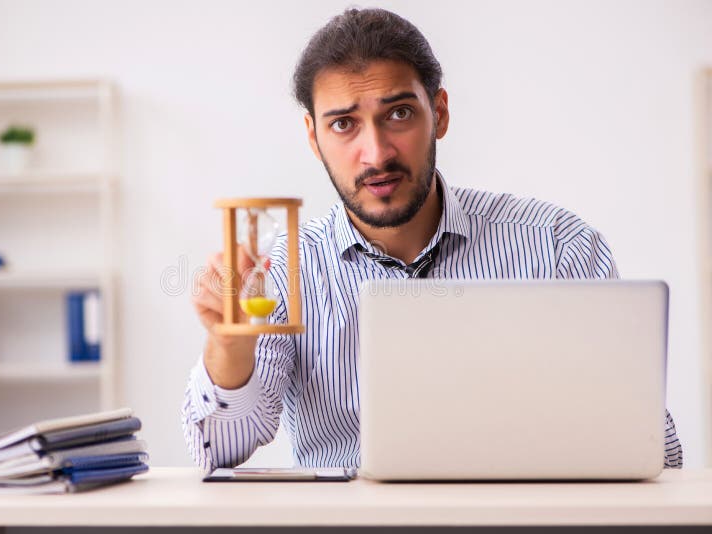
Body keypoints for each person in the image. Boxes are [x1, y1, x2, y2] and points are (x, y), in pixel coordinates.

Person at [183, 7, 683, 471]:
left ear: (438, 113)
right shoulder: (282, 271)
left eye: (398, 114)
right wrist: (228, 346)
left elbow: (651, 450)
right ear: (314, 138)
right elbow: (219, 449)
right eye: (344, 124)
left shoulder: (559, 247)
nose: (375, 153)